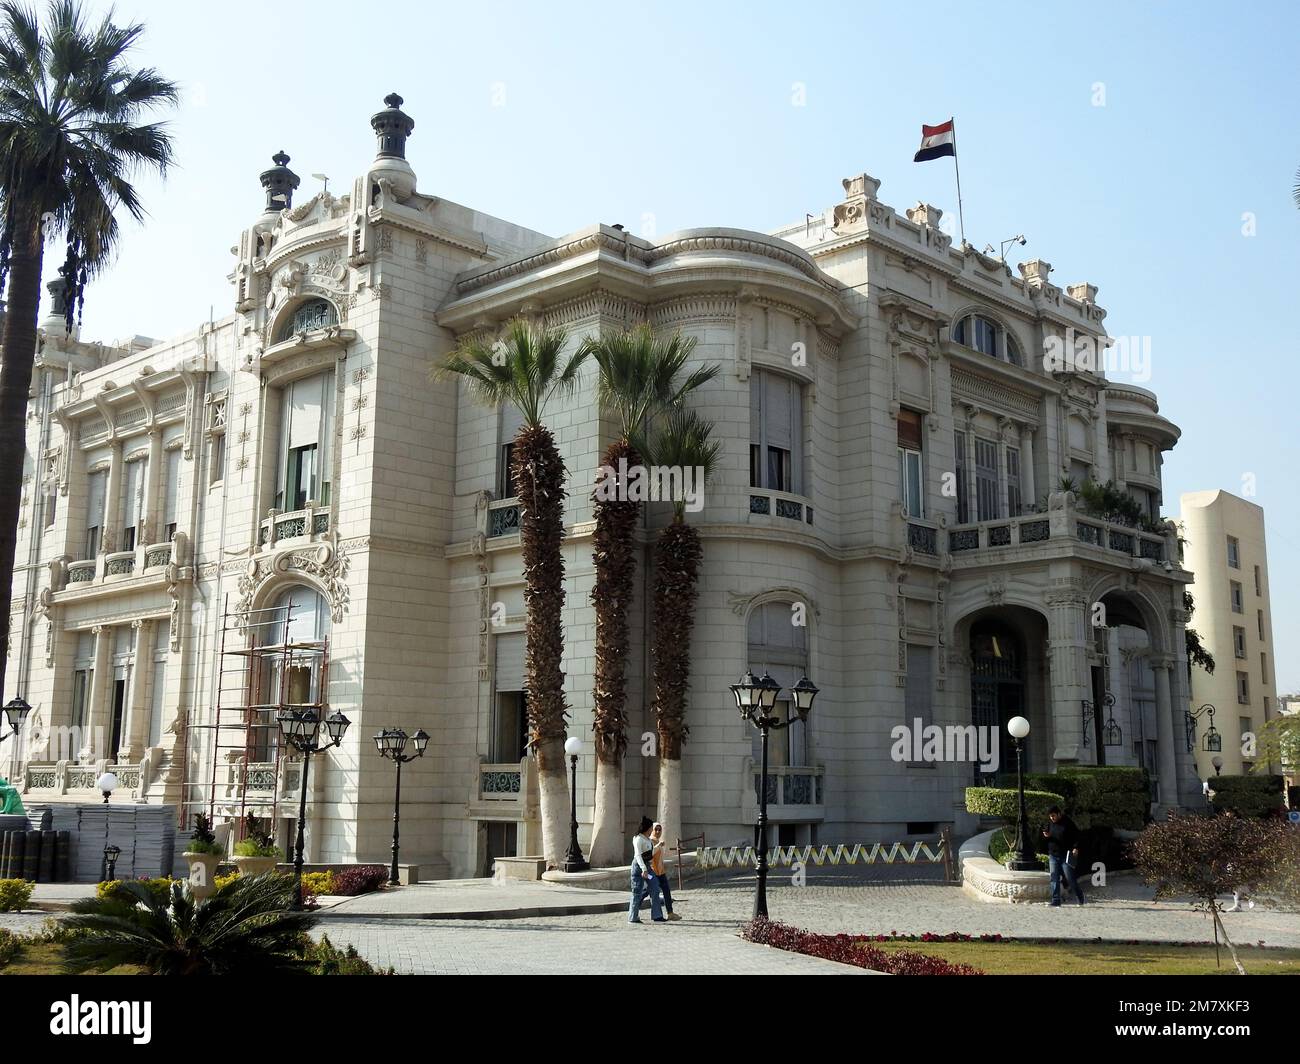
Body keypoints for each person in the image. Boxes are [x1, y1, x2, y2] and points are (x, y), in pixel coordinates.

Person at [1042, 805, 1085, 906]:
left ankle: (1080, 896)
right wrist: (1046, 836)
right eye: (1050, 816)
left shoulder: (1067, 822)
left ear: (1059, 814)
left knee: (1070, 878)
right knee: (1054, 878)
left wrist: (1076, 847)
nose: (1052, 818)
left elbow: (1077, 835)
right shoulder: (1050, 823)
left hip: (1066, 855)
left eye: (1053, 816)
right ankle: (1056, 901)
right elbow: (1046, 835)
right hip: (1053, 854)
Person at [628, 816, 665, 924]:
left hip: (647, 869)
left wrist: (658, 846)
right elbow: (638, 855)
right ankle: (633, 917)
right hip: (639, 869)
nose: (651, 831)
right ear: (647, 828)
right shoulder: (638, 839)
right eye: (650, 828)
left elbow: (650, 853)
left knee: (654, 885)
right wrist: (643, 869)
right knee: (637, 891)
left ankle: (657, 915)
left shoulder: (647, 839)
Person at [650, 822, 682, 921]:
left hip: (661, 871)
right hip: (653, 872)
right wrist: (659, 845)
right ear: (652, 830)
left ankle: (670, 913)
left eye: (660, 829)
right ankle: (634, 910)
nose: (658, 831)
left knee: (666, 891)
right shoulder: (650, 841)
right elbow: (650, 854)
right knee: (645, 892)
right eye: (656, 829)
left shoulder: (658, 841)